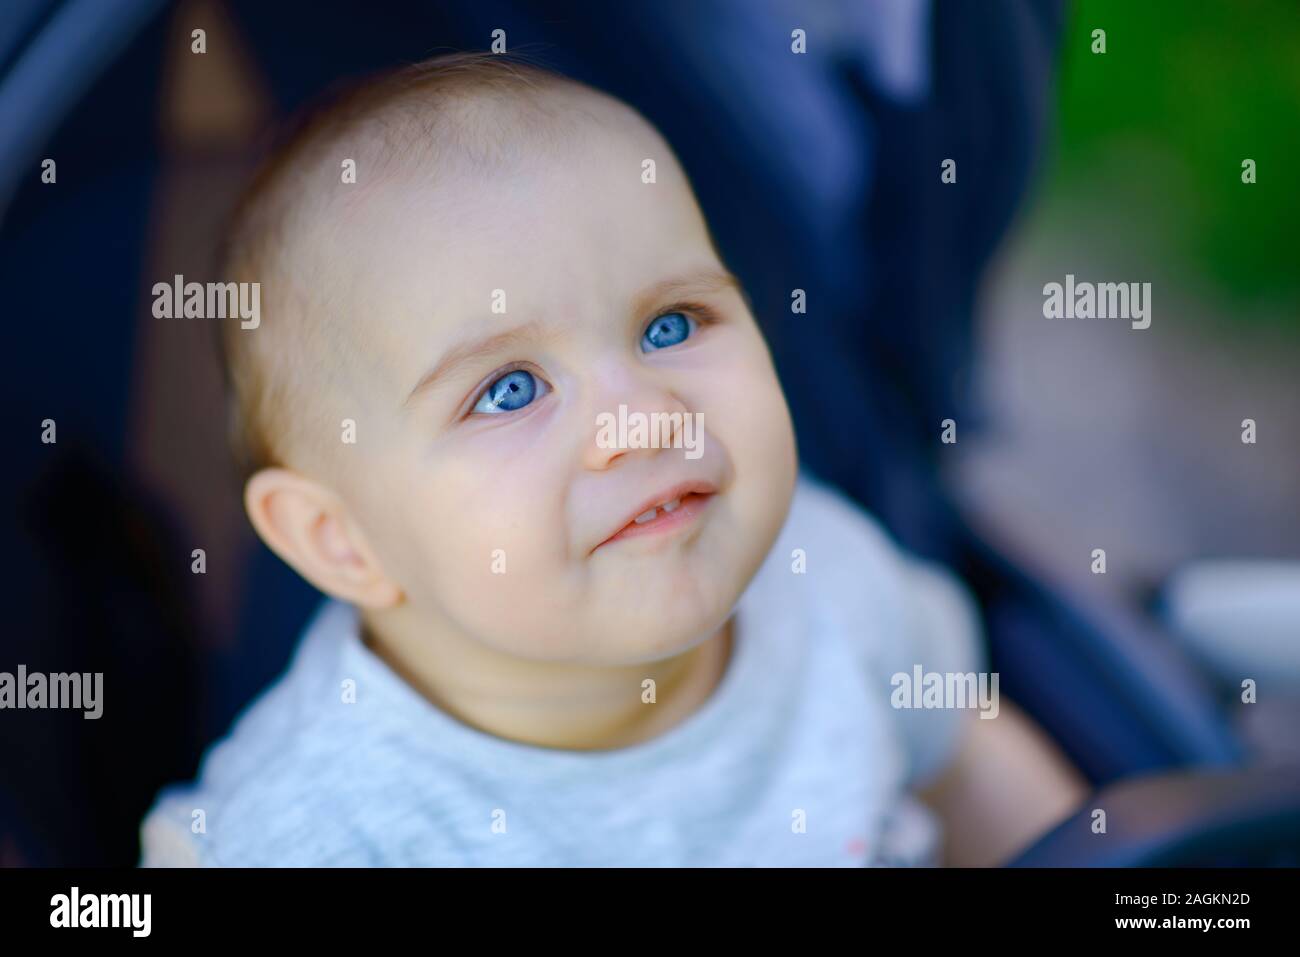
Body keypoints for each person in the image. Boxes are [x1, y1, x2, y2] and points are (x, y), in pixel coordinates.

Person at [139, 53, 1085, 867]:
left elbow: (961, 752)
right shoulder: (314, 830)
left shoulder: (829, 574)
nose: (644, 419)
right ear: (341, 541)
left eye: (672, 324)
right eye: (510, 390)